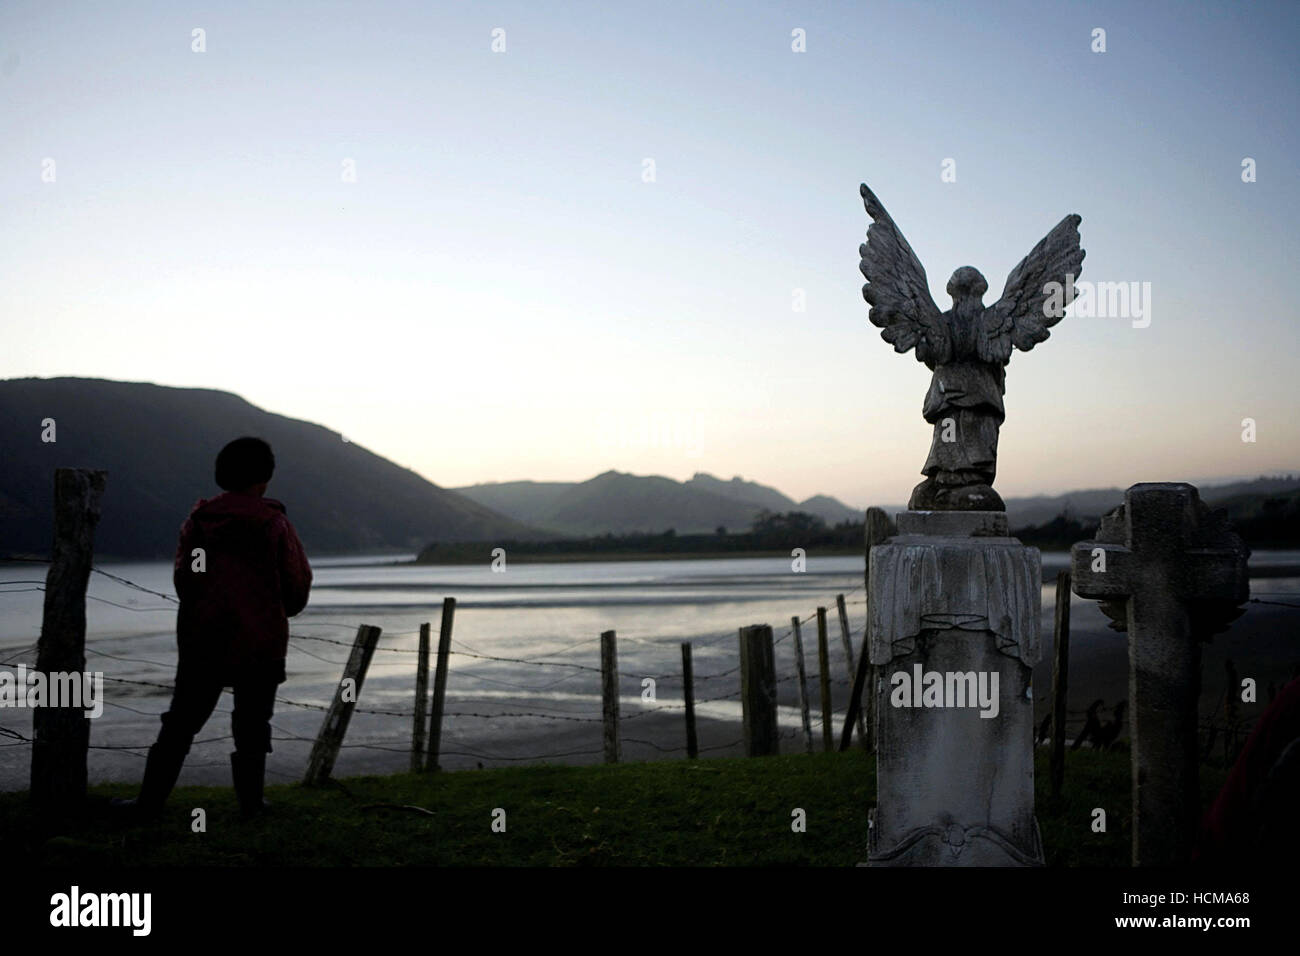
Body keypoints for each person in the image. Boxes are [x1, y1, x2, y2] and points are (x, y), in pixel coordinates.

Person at [116, 437, 312, 820]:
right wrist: (273, 610)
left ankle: (149, 802)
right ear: (266, 478)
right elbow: (296, 582)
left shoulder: (201, 523)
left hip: (203, 640)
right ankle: (252, 805)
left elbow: (188, 578)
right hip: (261, 641)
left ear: (222, 475)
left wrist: (205, 608)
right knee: (253, 725)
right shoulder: (274, 524)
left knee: (180, 723)